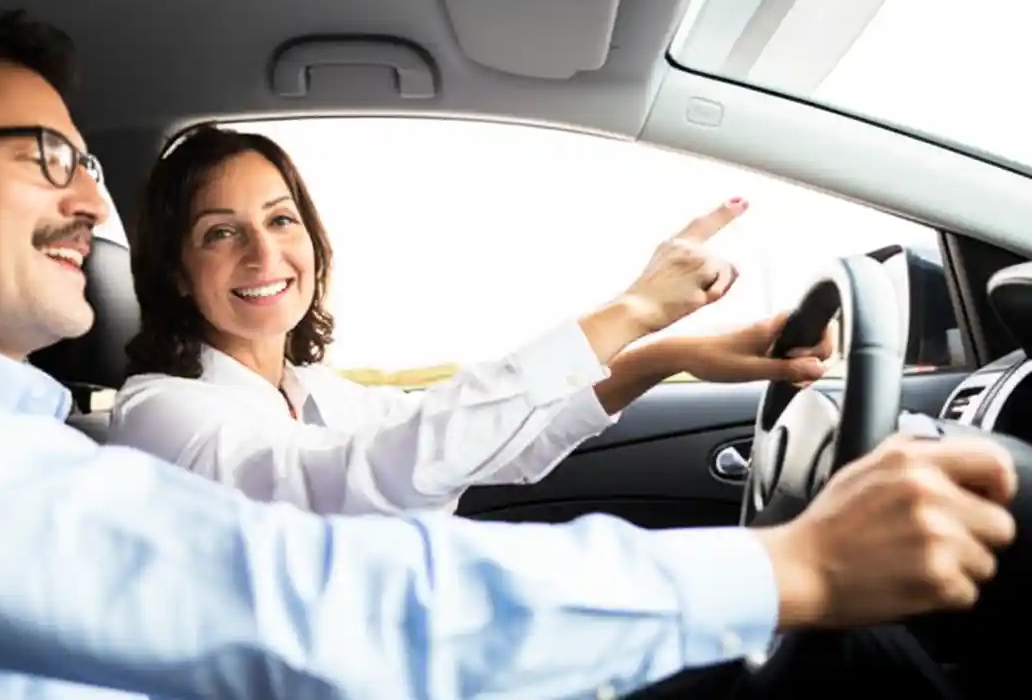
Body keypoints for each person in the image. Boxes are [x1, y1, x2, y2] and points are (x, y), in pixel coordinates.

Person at [0, 6, 1017, 700]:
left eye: (85, 163)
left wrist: (664, 361)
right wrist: (776, 570)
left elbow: (427, 452)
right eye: (45, 156)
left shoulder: (34, 422)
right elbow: (322, 551)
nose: (83, 200)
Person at [109, 124, 830, 514]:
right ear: (175, 270)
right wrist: (630, 312)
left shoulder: (312, 392)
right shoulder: (161, 415)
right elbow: (361, 480)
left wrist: (667, 357)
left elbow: (495, 446)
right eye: (220, 233)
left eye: (281, 219)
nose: (265, 253)